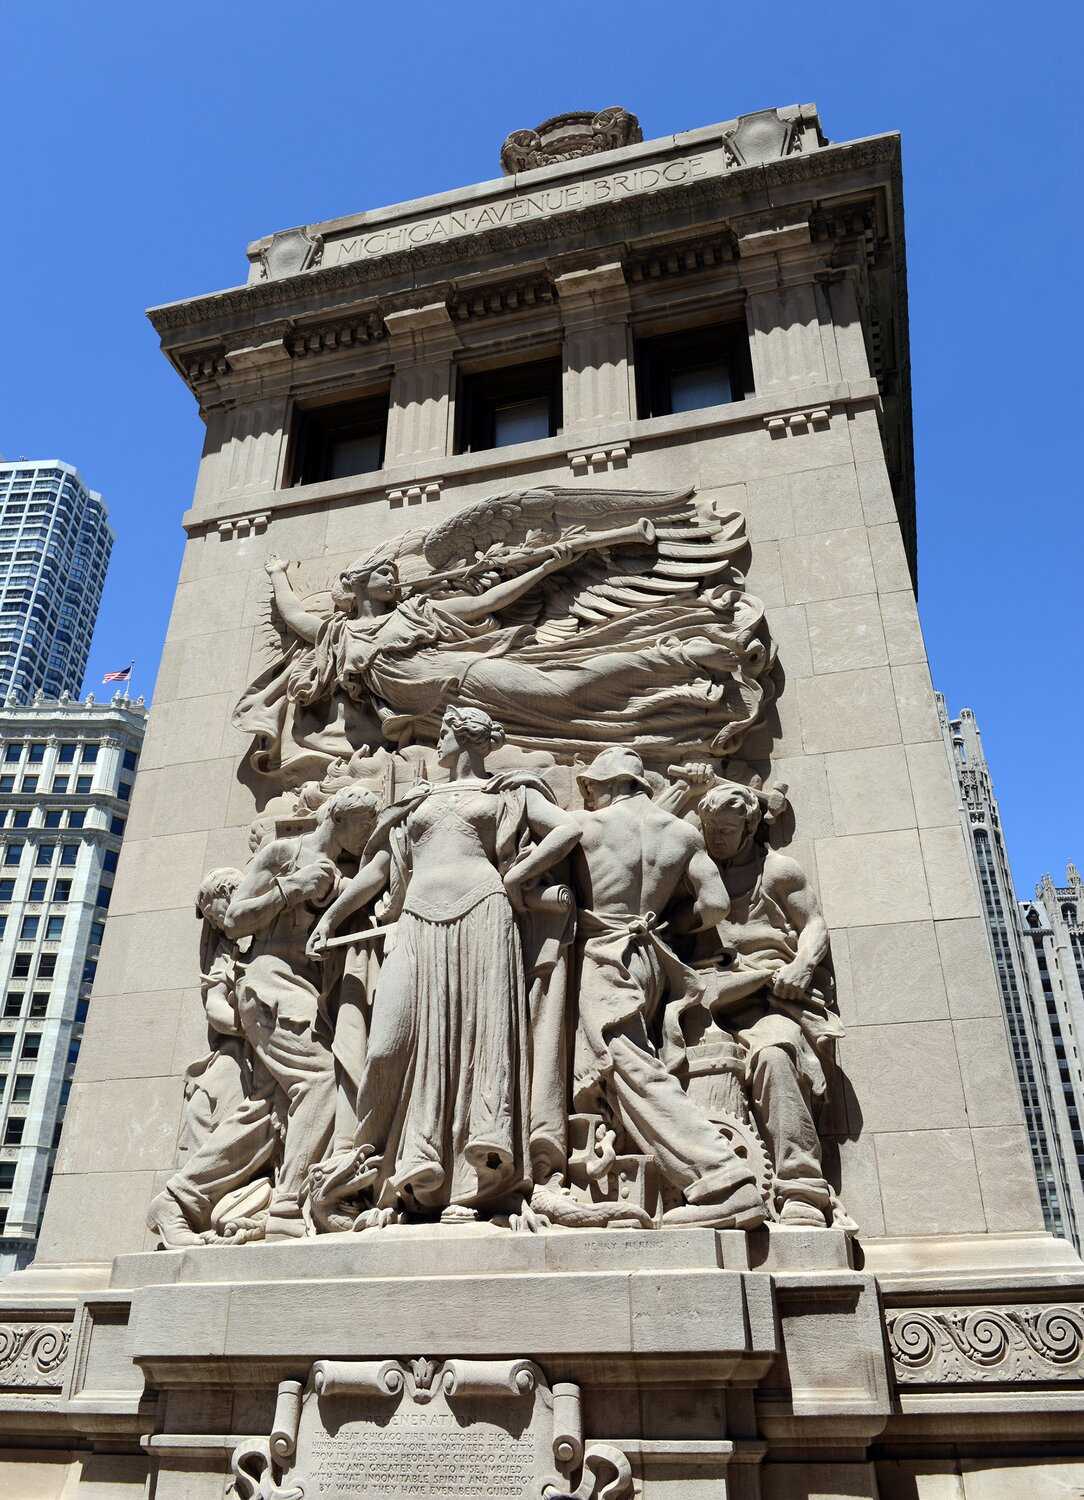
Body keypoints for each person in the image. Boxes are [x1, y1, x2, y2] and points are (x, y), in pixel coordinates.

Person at [308, 705, 580, 1226]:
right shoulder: (418, 802)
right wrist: (334, 919)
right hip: (416, 921)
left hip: (483, 911)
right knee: (390, 1043)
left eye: (444, 737)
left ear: (466, 739)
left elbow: (564, 831)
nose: (437, 747)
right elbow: (381, 868)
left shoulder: (507, 791)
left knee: (480, 1040)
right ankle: (391, 1166)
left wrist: (515, 874)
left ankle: (469, 1185)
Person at [147, 786, 380, 1245]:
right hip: (271, 986)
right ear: (339, 816)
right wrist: (290, 889)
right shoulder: (284, 853)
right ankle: (288, 1206)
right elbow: (234, 918)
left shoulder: (341, 873)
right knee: (319, 1085)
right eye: (363, 827)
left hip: (309, 992)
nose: (365, 838)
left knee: (267, 1115)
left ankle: (178, 1200)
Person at [566, 747, 767, 1230]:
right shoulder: (680, 832)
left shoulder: (587, 826)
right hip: (651, 957)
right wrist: (669, 921)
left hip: (607, 955)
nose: (587, 796)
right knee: (617, 1067)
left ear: (607, 784)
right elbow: (715, 905)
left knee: (628, 1064)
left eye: (590, 787)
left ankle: (723, 1179)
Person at [693, 781, 845, 1227]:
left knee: (776, 1055)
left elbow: (814, 923)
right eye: (710, 828)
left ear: (750, 826)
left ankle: (802, 1189)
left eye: (727, 828)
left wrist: (802, 965)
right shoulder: (693, 869)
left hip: (770, 1001)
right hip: (706, 997)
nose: (717, 837)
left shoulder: (778, 871)